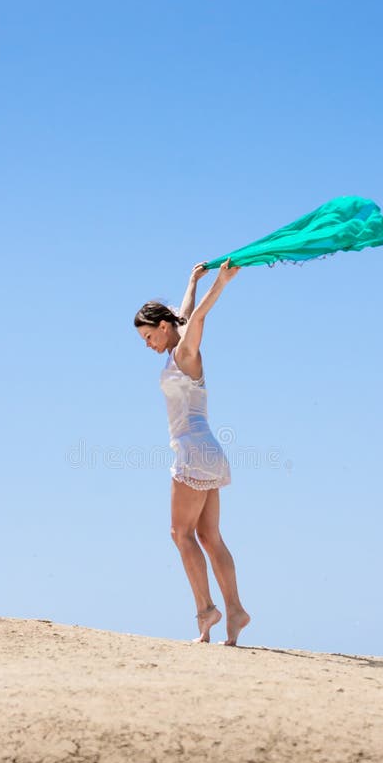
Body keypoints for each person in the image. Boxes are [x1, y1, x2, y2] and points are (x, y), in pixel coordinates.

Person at [134, 258, 251, 647]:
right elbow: (185, 314)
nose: (147, 345)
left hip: (193, 451)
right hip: (209, 451)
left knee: (180, 533)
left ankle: (207, 610)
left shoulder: (185, 352)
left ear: (162, 328)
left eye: (148, 336)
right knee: (209, 536)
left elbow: (196, 319)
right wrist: (192, 280)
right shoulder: (176, 344)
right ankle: (235, 611)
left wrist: (221, 283)